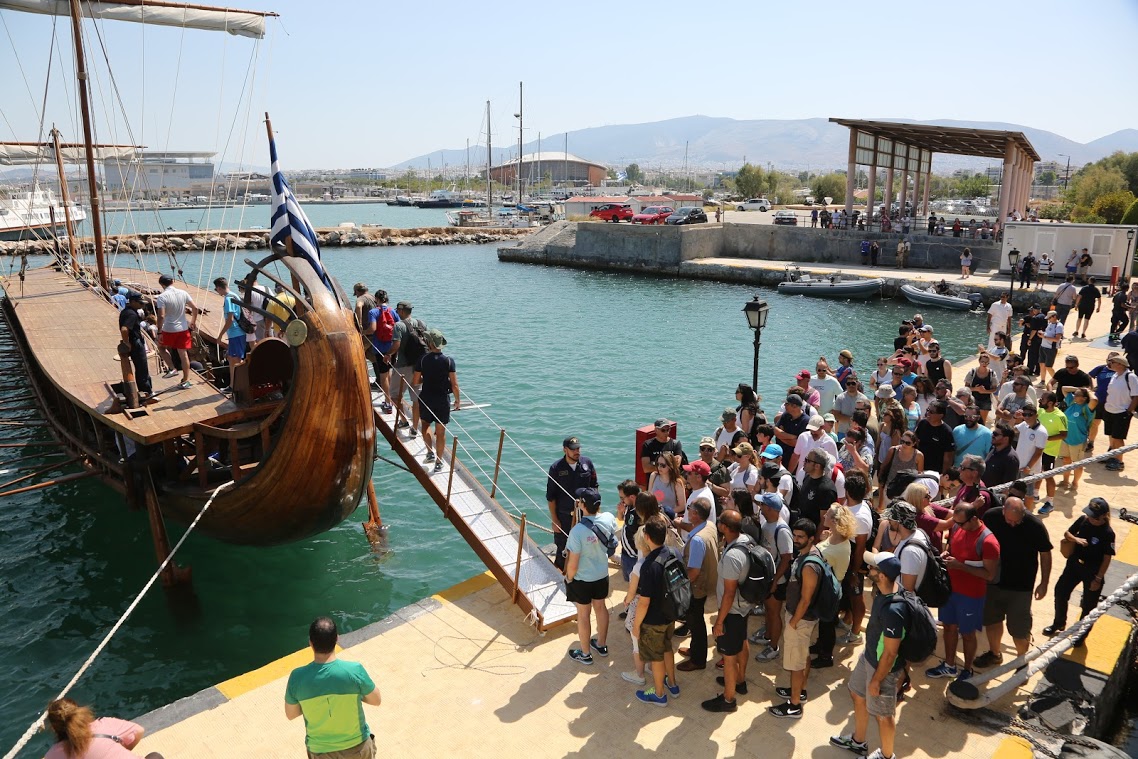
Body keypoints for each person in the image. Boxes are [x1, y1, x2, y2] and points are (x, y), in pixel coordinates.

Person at [829, 551, 909, 759]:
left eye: (872, 567)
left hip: (883, 668)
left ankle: (887, 755)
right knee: (857, 693)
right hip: (869, 657)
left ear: (881, 575)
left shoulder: (894, 610)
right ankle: (858, 742)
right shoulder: (884, 590)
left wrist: (877, 679)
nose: (868, 569)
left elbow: (891, 653)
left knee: (883, 715)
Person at [285, 617, 380, 759]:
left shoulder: (297, 677)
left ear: (310, 643)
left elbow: (291, 714)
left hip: (320, 752)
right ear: (336, 639)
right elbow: (376, 700)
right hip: (357, 748)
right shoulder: (354, 670)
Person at [924, 503, 999, 682]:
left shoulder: (989, 542)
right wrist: (946, 554)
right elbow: (952, 548)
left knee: (967, 634)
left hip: (971, 596)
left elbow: (989, 575)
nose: (958, 526)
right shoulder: (958, 526)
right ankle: (949, 665)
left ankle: (967, 670)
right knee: (949, 627)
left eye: (961, 523)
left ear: (974, 519)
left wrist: (960, 566)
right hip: (950, 591)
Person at [975, 497, 1051, 668]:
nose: (1013, 524)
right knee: (992, 621)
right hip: (993, 581)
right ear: (1003, 511)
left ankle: (1021, 661)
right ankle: (995, 654)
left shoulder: (1035, 525)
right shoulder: (991, 516)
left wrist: (1044, 583)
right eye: (1009, 520)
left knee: (1019, 628)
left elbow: (1045, 553)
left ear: (1024, 512)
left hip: (1021, 586)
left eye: (1017, 521)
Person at [699, 510, 755, 712]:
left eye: (720, 522)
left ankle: (728, 699)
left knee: (729, 657)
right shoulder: (747, 540)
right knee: (743, 642)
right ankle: (740, 682)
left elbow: (729, 593)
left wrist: (720, 621)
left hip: (732, 611)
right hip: (744, 607)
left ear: (724, 527)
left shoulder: (732, 556)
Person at [767, 518, 822, 719]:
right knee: (802, 656)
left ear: (811, 538)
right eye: (795, 536)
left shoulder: (809, 565)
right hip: (802, 619)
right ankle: (799, 691)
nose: (796, 540)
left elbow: (806, 599)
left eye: (801, 537)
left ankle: (794, 705)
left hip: (801, 620)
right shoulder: (808, 554)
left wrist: (793, 622)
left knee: (796, 664)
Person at [1044, 498, 1115, 646]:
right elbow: (1067, 533)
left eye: (1094, 517)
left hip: (1092, 570)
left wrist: (1098, 578)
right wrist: (1076, 539)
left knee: (1088, 606)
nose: (1091, 519)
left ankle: (1081, 634)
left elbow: (1107, 557)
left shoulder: (1108, 533)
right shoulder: (1083, 520)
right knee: (1060, 592)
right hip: (1074, 565)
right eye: (1089, 515)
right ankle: (1059, 623)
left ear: (1104, 517)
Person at [632, 514, 683, 706]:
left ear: (647, 537)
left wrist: (636, 626)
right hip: (670, 614)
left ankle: (659, 694)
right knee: (668, 648)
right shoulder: (673, 552)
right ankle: (672, 683)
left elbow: (644, 602)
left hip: (654, 620)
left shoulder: (648, 566)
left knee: (655, 657)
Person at [564, 487, 617, 665]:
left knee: (584, 614)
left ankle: (585, 653)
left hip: (582, 579)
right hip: (602, 575)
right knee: (600, 608)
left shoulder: (577, 531)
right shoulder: (609, 518)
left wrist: (569, 578)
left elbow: (573, 562)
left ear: (582, 505)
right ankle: (601, 644)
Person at [676, 497, 720, 672]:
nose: (687, 511)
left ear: (694, 514)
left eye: (689, 508)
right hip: (707, 582)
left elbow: (693, 572)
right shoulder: (710, 526)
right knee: (696, 620)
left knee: (696, 622)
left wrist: (681, 585)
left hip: (696, 588)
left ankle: (698, 659)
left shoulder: (697, 540)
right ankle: (695, 649)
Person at [44, 698, 163, 759]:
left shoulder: (52, 755)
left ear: (54, 728)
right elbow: (139, 731)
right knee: (154, 756)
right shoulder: (104, 725)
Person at [752, 492, 795, 662]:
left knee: (774, 612)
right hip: (768, 579)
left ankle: (774, 647)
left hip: (777, 581)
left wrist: (775, 581)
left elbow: (786, 559)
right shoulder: (767, 524)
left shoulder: (782, 530)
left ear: (769, 508)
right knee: (769, 610)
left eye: (762, 505)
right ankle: (768, 634)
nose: (760, 507)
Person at [546, 436, 599, 571]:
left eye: (578, 448)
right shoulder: (556, 468)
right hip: (564, 515)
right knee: (563, 548)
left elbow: (594, 487)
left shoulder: (587, 463)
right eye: (573, 449)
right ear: (565, 450)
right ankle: (561, 574)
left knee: (586, 545)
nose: (577, 452)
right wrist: (555, 520)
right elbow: (551, 497)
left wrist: (595, 511)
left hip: (585, 514)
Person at [412, 328, 459, 474]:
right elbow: (454, 384)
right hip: (442, 399)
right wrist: (458, 400)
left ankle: (429, 452)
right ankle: (439, 462)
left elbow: (415, 381)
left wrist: (426, 378)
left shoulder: (423, 359)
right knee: (441, 432)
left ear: (430, 343)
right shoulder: (449, 361)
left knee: (425, 425)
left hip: (426, 397)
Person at [154, 273, 198, 390]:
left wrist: (159, 331)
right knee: (183, 355)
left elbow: (161, 316)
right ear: (173, 281)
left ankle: (172, 368)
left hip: (168, 328)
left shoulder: (162, 297)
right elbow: (195, 308)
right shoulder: (183, 293)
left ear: (162, 285)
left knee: (162, 348)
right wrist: (193, 321)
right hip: (183, 328)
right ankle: (186, 380)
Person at [386, 301, 425, 431]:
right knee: (416, 399)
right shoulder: (421, 323)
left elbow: (396, 345)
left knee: (394, 395)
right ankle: (415, 427)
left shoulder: (399, 326)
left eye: (397, 311)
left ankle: (403, 421)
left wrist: (388, 355)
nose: (397, 313)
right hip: (419, 367)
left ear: (402, 311)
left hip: (403, 366)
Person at [364, 290, 399, 414]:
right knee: (389, 372)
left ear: (376, 300)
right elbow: (398, 328)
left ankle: (388, 403)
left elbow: (373, 328)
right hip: (392, 348)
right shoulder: (393, 312)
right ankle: (390, 398)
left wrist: (363, 332)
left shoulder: (373, 312)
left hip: (380, 349)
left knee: (383, 376)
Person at [1102, 355, 1138, 471]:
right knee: (1111, 435)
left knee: (1118, 438)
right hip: (1110, 410)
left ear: (1119, 364)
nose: (1110, 364)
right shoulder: (1115, 375)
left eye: (1112, 362)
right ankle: (1111, 456)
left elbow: (1136, 396)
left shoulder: (1131, 377)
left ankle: (1119, 461)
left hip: (1121, 412)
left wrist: (1128, 412)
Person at [1035, 392, 1068, 515]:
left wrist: (1047, 438)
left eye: (1042, 399)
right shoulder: (1041, 411)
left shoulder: (1060, 416)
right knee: (1037, 472)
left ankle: (1050, 502)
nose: (1040, 401)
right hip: (1038, 449)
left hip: (1050, 451)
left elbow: (1064, 434)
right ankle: (1035, 494)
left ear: (1049, 403)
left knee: (1048, 476)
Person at [118, 292, 152, 397]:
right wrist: (127, 343)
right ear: (132, 302)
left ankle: (145, 390)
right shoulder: (131, 314)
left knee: (141, 367)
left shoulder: (127, 311)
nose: (143, 306)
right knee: (142, 368)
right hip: (135, 342)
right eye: (140, 303)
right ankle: (146, 392)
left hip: (135, 341)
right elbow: (124, 329)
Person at [1059, 386, 1093, 489]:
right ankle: (1065, 481)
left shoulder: (1086, 408)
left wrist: (1088, 391)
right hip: (1066, 438)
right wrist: (1078, 389)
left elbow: (1095, 400)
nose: (1074, 396)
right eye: (1075, 394)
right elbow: (1064, 388)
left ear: (1084, 398)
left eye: (1078, 395)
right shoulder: (1071, 403)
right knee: (1066, 460)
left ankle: (1075, 483)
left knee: (1077, 464)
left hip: (1078, 440)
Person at [214, 277, 248, 370]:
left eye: (216, 289)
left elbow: (230, 320)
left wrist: (220, 335)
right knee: (231, 359)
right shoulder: (234, 295)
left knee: (236, 360)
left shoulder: (228, 299)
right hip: (238, 332)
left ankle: (240, 383)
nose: (217, 292)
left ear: (219, 288)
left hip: (236, 333)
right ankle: (233, 384)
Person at [915, 400, 956, 473]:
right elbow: (916, 441)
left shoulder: (946, 431)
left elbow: (948, 457)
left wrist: (943, 475)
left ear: (941, 415)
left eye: (931, 412)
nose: (928, 413)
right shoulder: (922, 423)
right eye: (928, 410)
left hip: (935, 471)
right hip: (919, 467)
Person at [647, 450, 686, 520]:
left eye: (663, 465)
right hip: (653, 516)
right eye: (657, 464)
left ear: (670, 466)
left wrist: (666, 513)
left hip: (668, 517)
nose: (659, 467)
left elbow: (682, 506)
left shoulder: (677, 483)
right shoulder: (653, 476)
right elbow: (649, 497)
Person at [615, 480, 642, 583]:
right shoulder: (628, 506)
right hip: (626, 553)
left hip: (634, 557)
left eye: (622, 498)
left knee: (635, 585)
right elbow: (621, 519)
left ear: (632, 497)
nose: (621, 501)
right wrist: (620, 512)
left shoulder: (639, 512)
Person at [1038, 311, 1064, 387]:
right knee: (1042, 364)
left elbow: (1057, 339)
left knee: (1048, 366)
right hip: (1043, 346)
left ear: (1054, 317)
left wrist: (1044, 337)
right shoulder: (1050, 324)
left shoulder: (1059, 326)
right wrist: (1043, 334)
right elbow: (1047, 334)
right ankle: (1042, 381)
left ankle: (1056, 381)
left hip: (1050, 349)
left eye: (1050, 318)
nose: (1048, 319)